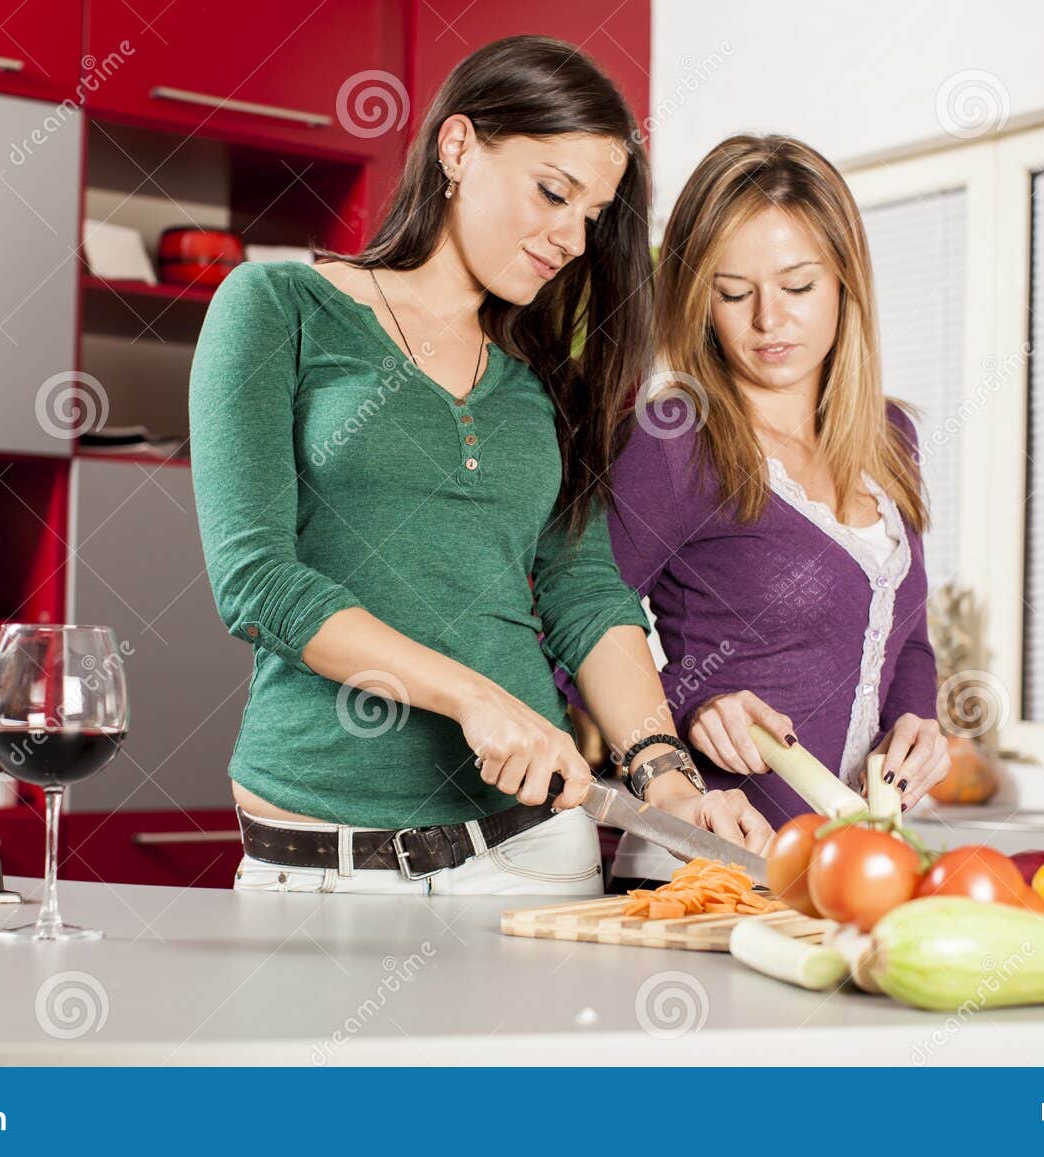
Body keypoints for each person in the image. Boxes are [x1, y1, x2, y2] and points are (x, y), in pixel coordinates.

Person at [188, 38, 772, 897]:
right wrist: (471, 696)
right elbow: (256, 579)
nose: (571, 238)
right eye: (553, 193)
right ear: (458, 147)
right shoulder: (278, 307)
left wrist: (666, 775)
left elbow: (584, 591)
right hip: (327, 864)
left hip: (538, 850)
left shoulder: (547, 378)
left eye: (592, 215)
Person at [585, 134, 949, 888]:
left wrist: (920, 721)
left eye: (798, 285)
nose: (767, 321)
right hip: (705, 869)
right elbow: (571, 636)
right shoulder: (672, 442)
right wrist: (692, 702)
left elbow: (907, 639)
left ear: (845, 279)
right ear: (699, 301)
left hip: (851, 876)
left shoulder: (890, 438)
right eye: (732, 292)